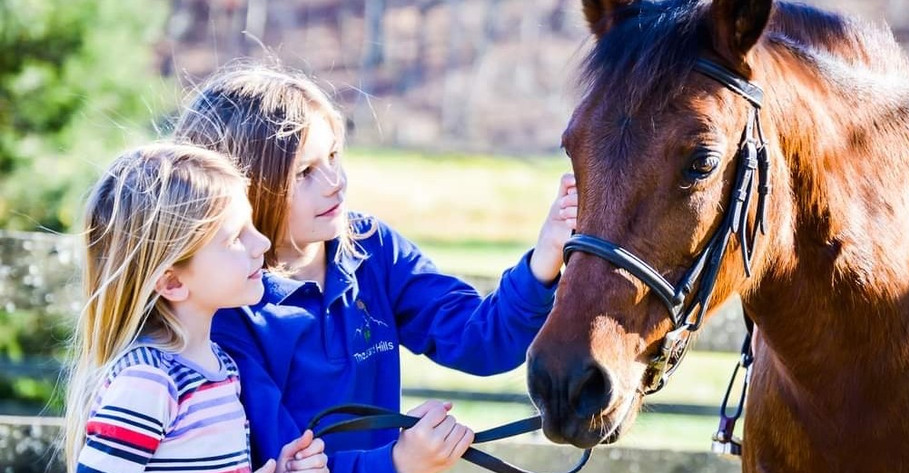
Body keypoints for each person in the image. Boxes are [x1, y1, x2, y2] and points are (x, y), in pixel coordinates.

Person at [172, 64, 578, 473]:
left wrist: (546, 255)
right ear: (244, 188)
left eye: (333, 156)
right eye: (305, 172)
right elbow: (282, 459)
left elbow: (480, 338)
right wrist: (397, 461)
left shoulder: (371, 248)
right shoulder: (226, 311)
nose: (335, 181)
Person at [63, 143, 330, 473]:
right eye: (235, 237)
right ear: (172, 282)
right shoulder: (150, 381)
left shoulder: (220, 367)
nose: (261, 243)